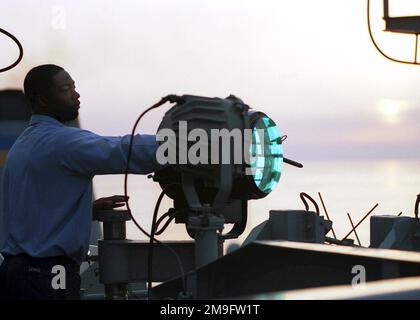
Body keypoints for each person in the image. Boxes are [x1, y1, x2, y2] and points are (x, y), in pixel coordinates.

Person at [0, 64, 160, 300]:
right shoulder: (62, 141)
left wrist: (86, 210)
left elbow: (33, 210)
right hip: (48, 274)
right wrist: (182, 148)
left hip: (16, 272)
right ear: (43, 100)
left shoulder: (22, 145)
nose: (76, 95)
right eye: (65, 90)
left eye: (74, 87)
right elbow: (121, 150)